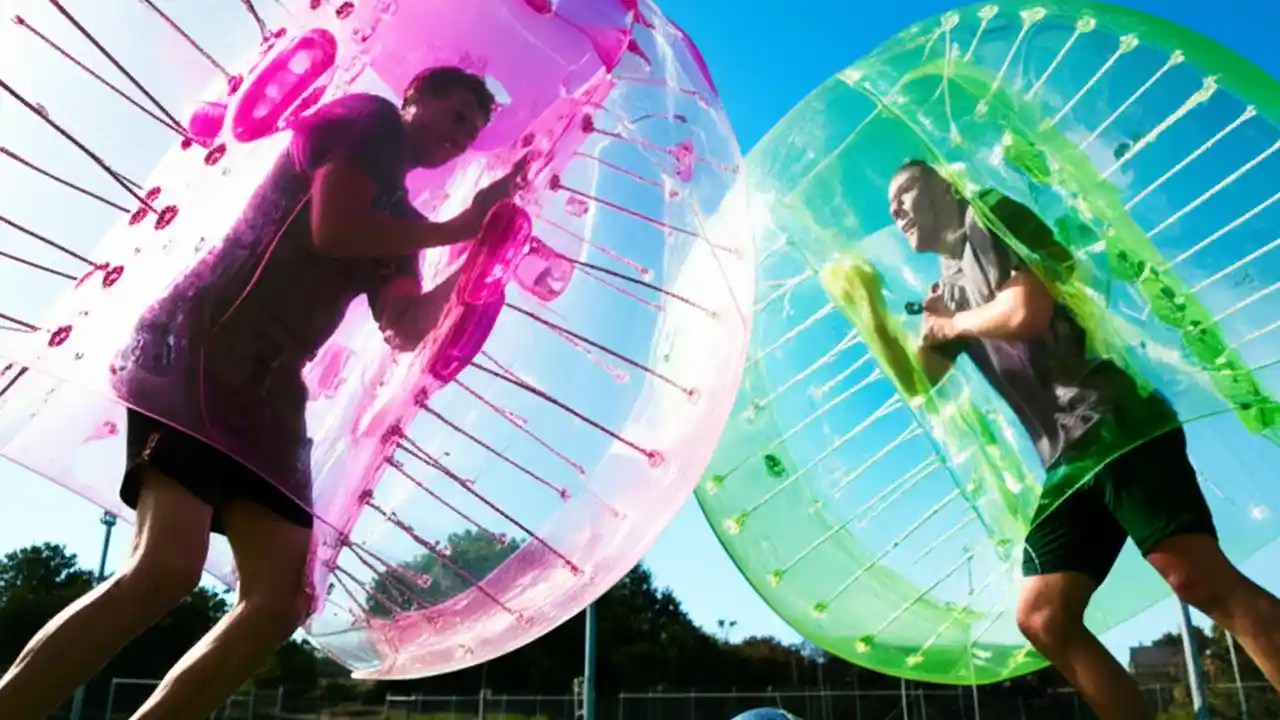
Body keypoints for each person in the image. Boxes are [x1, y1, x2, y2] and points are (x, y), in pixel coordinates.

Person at [0, 66, 525, 720]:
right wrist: (460, 229)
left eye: (473, 132)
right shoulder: (370, 121)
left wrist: (481, 256)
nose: (461, 137)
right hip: (203, 342)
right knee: (165, 569)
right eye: (455, 116)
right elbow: (334, 228)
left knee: (279, 602)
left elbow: (406, 327)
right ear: (415, 98)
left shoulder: (405, 226)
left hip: (272, 390)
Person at [865, 159, 1280, 719]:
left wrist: (952, 326)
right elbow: (921, 382)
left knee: (1198, 578)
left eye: (905, 193)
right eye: (889, 206)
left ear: (944, 186)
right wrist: (869, 309)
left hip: (1112, 419)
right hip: (1067, 458)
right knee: (1044, 618)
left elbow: (1028, 310)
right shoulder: (947, 287)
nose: (895, 211)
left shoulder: (994, 217)